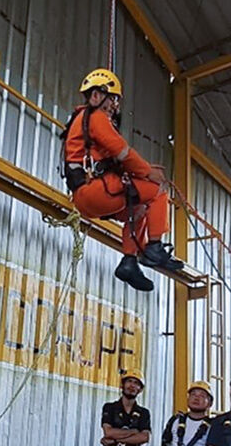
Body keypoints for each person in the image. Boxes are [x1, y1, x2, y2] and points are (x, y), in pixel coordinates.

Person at [61, 68, 183, 292]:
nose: (115, 106)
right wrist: (148, 173)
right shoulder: (96, 118)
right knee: (158, 190)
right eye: (112, 99)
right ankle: (154, 247)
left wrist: (143, 170)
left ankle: (129, 262)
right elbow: (122, 152)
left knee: (139, 209)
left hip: (84, 197)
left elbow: (113, 160)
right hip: (96, 190)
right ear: (96, 95)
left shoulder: (82, 122)